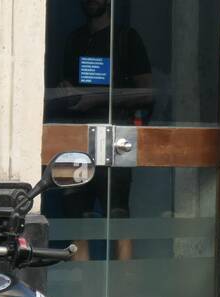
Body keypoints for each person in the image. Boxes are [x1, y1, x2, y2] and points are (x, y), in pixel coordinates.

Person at [46, 0, 154, 261]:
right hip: (75, 137)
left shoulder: (127, 38)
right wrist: (67, 91)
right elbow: (68, 90)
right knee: (75, 217)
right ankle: (84, 294)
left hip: (116, 141)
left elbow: (146, 94)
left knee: (117, 216)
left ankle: (124, 291)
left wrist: (96, 98)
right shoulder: (75, 39)